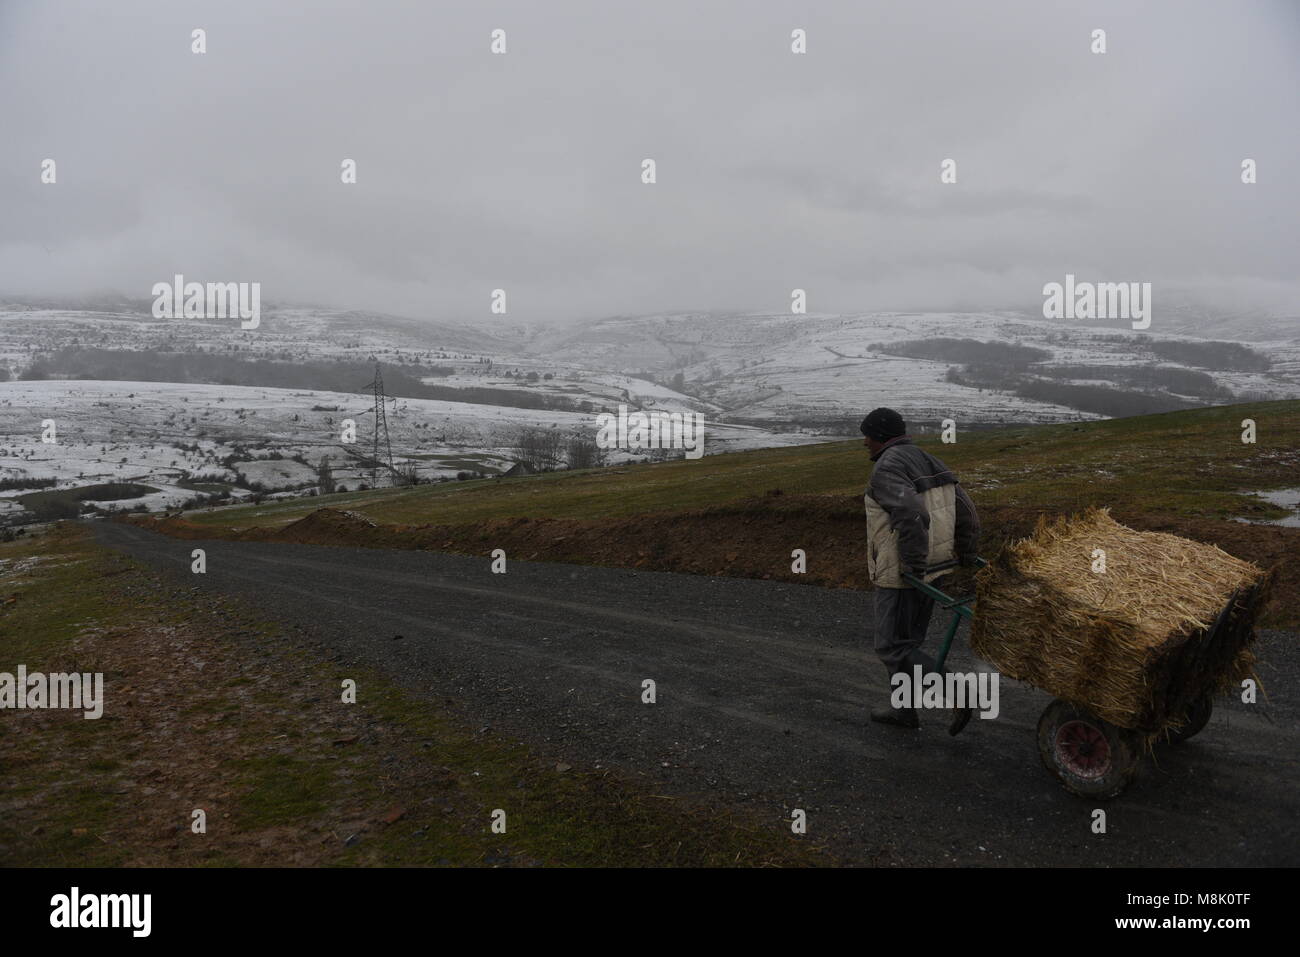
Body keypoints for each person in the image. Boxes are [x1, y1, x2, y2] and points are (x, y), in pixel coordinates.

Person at [860, 408, 980, 729]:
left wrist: (912, 566)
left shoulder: (887, 468)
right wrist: (966, 553)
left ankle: (954, 690)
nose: (865, 443)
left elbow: (911, 513)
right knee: (908, 644)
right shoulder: (930, 460)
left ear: (881, 436)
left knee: (891, 646)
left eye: (867, 436)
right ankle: (904, 710)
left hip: (903, 572)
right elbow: (966, 509)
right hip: (934, 567)